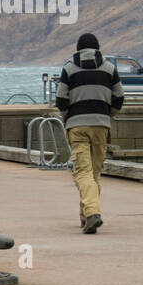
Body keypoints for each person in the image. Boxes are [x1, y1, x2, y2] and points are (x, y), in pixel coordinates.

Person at [55, 32, 124, 234]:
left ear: (78, 49)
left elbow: (61, 100)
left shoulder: (68, 69)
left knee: (83, 172)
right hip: (101, 126)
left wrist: (67, 116)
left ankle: (92, 213)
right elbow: (119, 98)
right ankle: (86, 216)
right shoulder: (110, 69)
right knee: (94, 173)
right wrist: (106, 115)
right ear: (97, 48)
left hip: (77, 126)